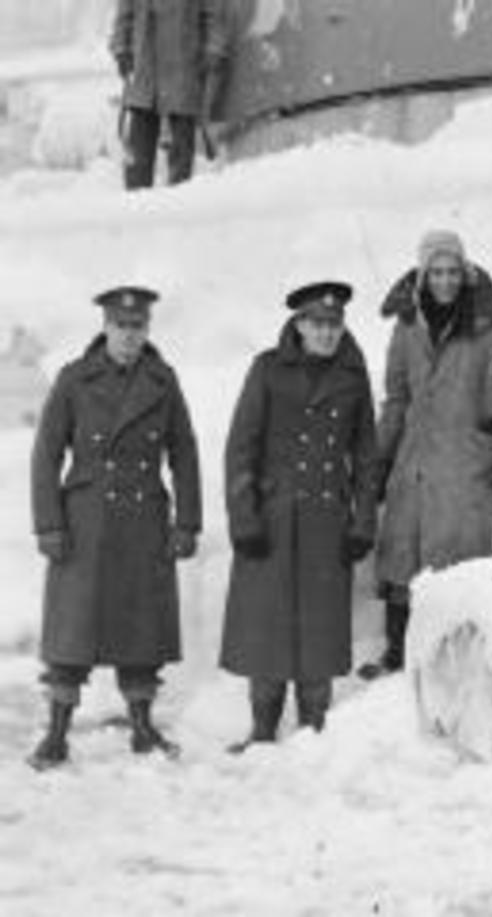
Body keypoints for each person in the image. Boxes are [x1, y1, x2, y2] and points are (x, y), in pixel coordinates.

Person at [28, 285, 201, 769]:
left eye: (137, 326)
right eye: (121, 326)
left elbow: (184, 453)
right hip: (85, 522)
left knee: (141, 631)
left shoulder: (163, 381)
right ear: (105, 327)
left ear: (148, 329)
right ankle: (56, 734)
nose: (129, 335)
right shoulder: (74, 378)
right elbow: (46, 454)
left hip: (143, 521)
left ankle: (143, 727)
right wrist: (49, 524)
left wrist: (187, 522)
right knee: (71, 634)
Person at [362, 231, 492, 679]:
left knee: (463, 563)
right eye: (436, 272)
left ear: (465, 273)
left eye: (452, 271)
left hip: (469, 461)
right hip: (416, 460)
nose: (445, 280)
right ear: (423, 276)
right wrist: (380, 458)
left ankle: (461, 661)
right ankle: (398, 655)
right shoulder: (407, 327)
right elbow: (396, 399)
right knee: (404, 557)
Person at [221, 281, 377, 750]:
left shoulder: (352, 377)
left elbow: (366, 456)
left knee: (319, 633)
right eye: (318, 324)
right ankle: (262, 732)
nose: (327, 333)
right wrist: (244, 518)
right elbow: (241, 447)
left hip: (326, 521)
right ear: (300, 325)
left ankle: (313, 733)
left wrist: (362, 522)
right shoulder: (267, 369)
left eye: (334, 324)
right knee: (267, 629)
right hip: (272, 519)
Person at [110, 0, 229, 190]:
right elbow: (125, 13)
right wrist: (121, 48)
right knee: (138, 149)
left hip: (183, 66)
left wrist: (213, 49)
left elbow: (213, 13)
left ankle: (178, 199)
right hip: (145, 67)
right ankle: (135, 199)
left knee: (181, 152)